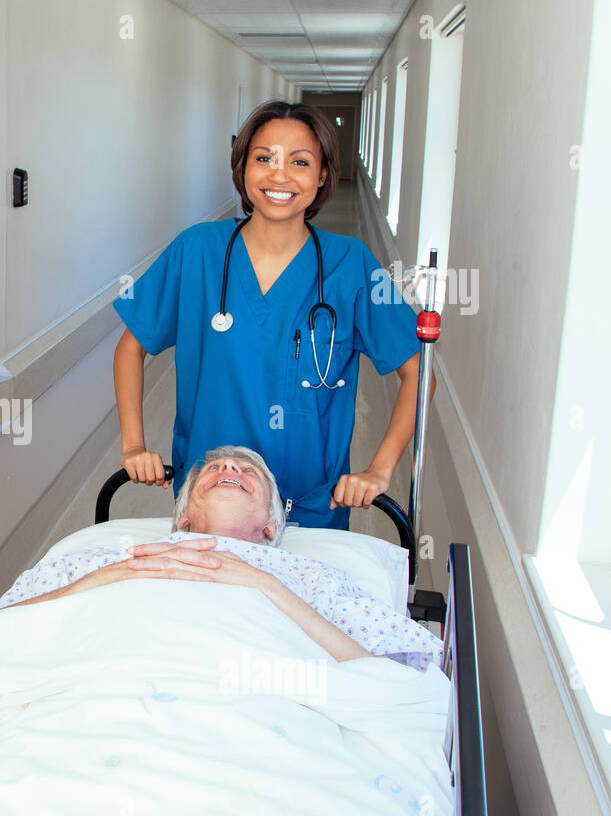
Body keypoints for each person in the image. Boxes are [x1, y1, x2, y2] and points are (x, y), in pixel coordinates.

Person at [112, 100, 434, 529]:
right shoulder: (197, 252)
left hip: (311, 507)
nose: (279, 175)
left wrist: (380, 468)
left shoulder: (350, 265)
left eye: (299, 162)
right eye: (264, 158)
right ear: (243, 167)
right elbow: (131, 347)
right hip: (210, 505)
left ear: (322, 176)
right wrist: (134, 445)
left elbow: (419, 372)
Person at [0, 447, 440, 671]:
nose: (229, 469)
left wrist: (265, 585)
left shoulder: (307, 576)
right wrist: (109, 577)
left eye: (248, 473)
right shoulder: (109, 559)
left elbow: (389, 675)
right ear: (183, 516)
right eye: (214, 468)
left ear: (270, 524)